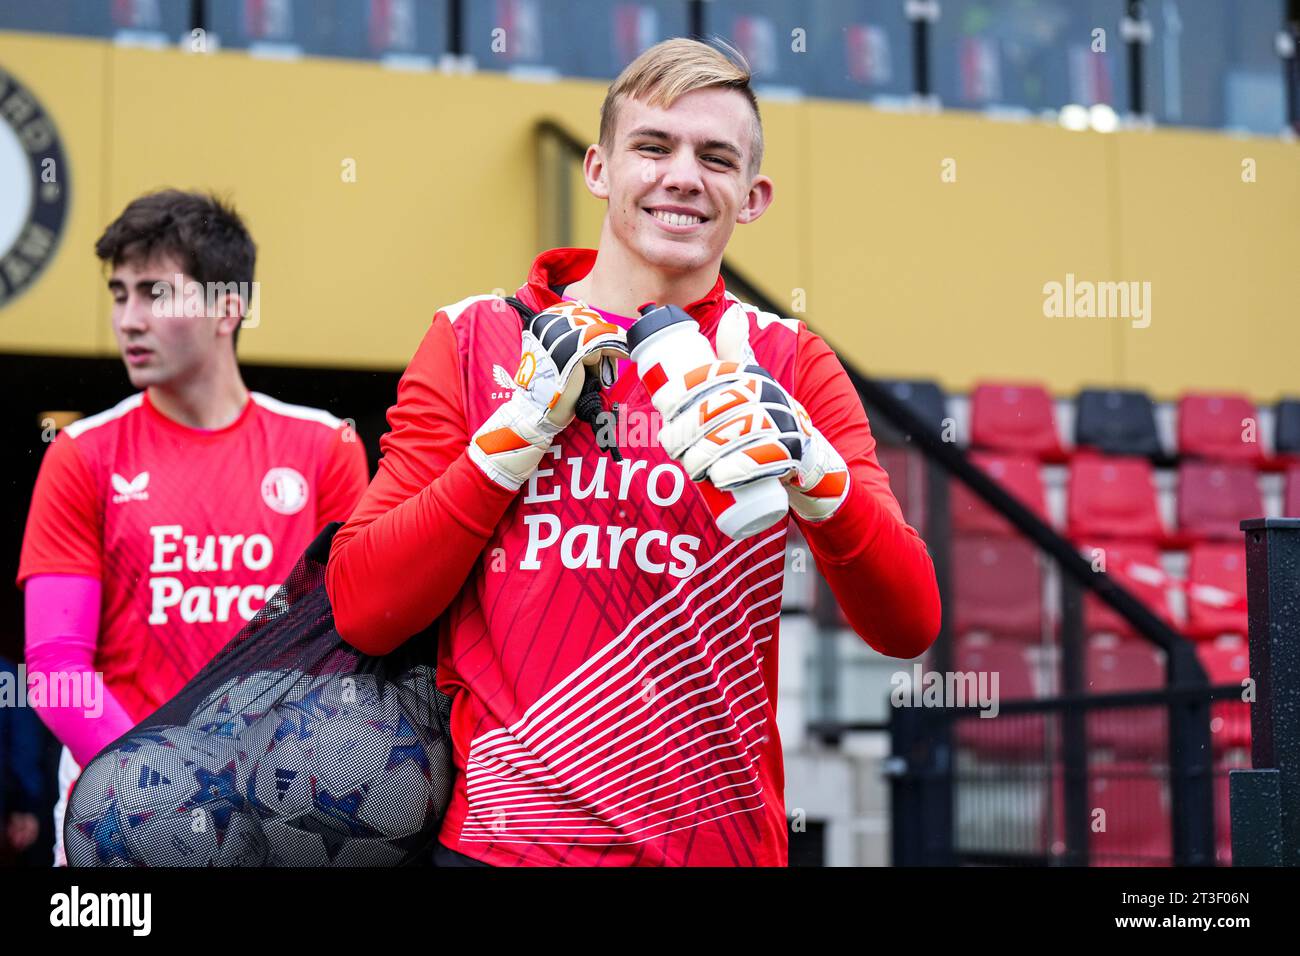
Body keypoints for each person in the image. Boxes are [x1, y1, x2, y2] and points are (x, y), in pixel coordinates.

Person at [326, 38, 940, 867]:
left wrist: (818, 475)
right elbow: (364, 604)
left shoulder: (789, 360)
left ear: (753, 198)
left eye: (715, 158)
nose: (682, 175)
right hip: (505, 850)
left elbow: (910, 624)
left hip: (719, 850)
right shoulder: (475, 337)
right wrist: (505, 447)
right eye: (653, 146)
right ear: (599, 168)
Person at [17, 190, 369, 866]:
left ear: (227, 306)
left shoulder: (325, 448)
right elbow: (56, 666)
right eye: (120, 294)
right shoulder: (81, 454)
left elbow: (351, 649)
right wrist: (163, 785)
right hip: (120, 816)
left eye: (154, 292)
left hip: (277, 818)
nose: (128, 319)